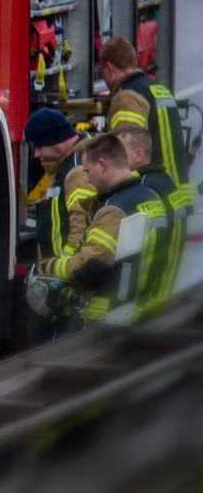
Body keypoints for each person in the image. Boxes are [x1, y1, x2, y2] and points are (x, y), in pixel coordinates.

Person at [37, 134, 176, 325]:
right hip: (146, 311)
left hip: (111, 319)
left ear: (102, 165)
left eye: (87, 171)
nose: (87, 179)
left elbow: (88, 266)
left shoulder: (114, 209)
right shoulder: (150, 197)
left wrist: (49, 266)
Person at [99, 36, 192, 252]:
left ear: (109, 67)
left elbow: (126, 153)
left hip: (152, 196)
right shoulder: (158, 89)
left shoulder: (127, 97)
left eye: (101, 71)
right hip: (176, 194)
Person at [21, 109, 96, 343]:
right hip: (56, 277)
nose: (36, 154)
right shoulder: (64, 164)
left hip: (64, 281)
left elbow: (80, 228)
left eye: (39, 146)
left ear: (56, 139)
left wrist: (65, 276)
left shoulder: (77, 169)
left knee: (46, 341)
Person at [115, 126, 185, 302]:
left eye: (118, 152)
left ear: (139, 155)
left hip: (142, 297)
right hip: (164, 290)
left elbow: (130, 255)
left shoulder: (140, 190)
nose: (112, 158)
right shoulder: (166, 181)